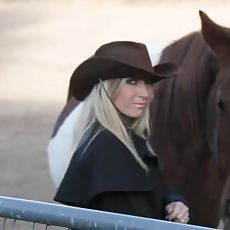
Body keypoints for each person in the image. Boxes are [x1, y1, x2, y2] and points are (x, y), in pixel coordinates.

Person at [53, 41, 190, 223]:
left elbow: (153, 194)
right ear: (108, 87)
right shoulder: (108, 149)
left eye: (148, 83)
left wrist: (174, 202)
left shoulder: (125, 139)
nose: (146, 93)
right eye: (131, 82)